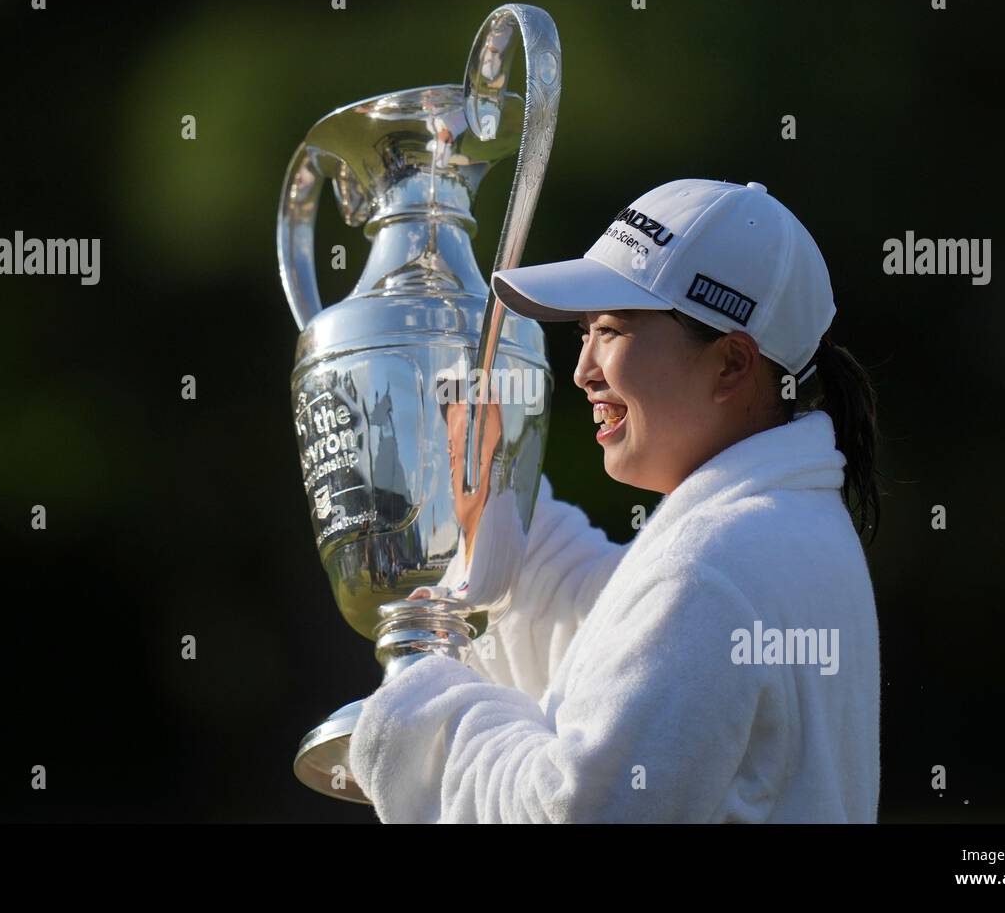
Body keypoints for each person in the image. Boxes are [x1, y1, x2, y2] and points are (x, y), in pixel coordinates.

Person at [349, 178, 882, 823]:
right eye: (583, 332)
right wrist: (495, 500)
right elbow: (621, 650)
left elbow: (574, 810)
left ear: (731, 365)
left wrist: (418, 710)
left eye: (612, 329)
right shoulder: (777, 530)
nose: (583, 370)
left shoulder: (714, 568)